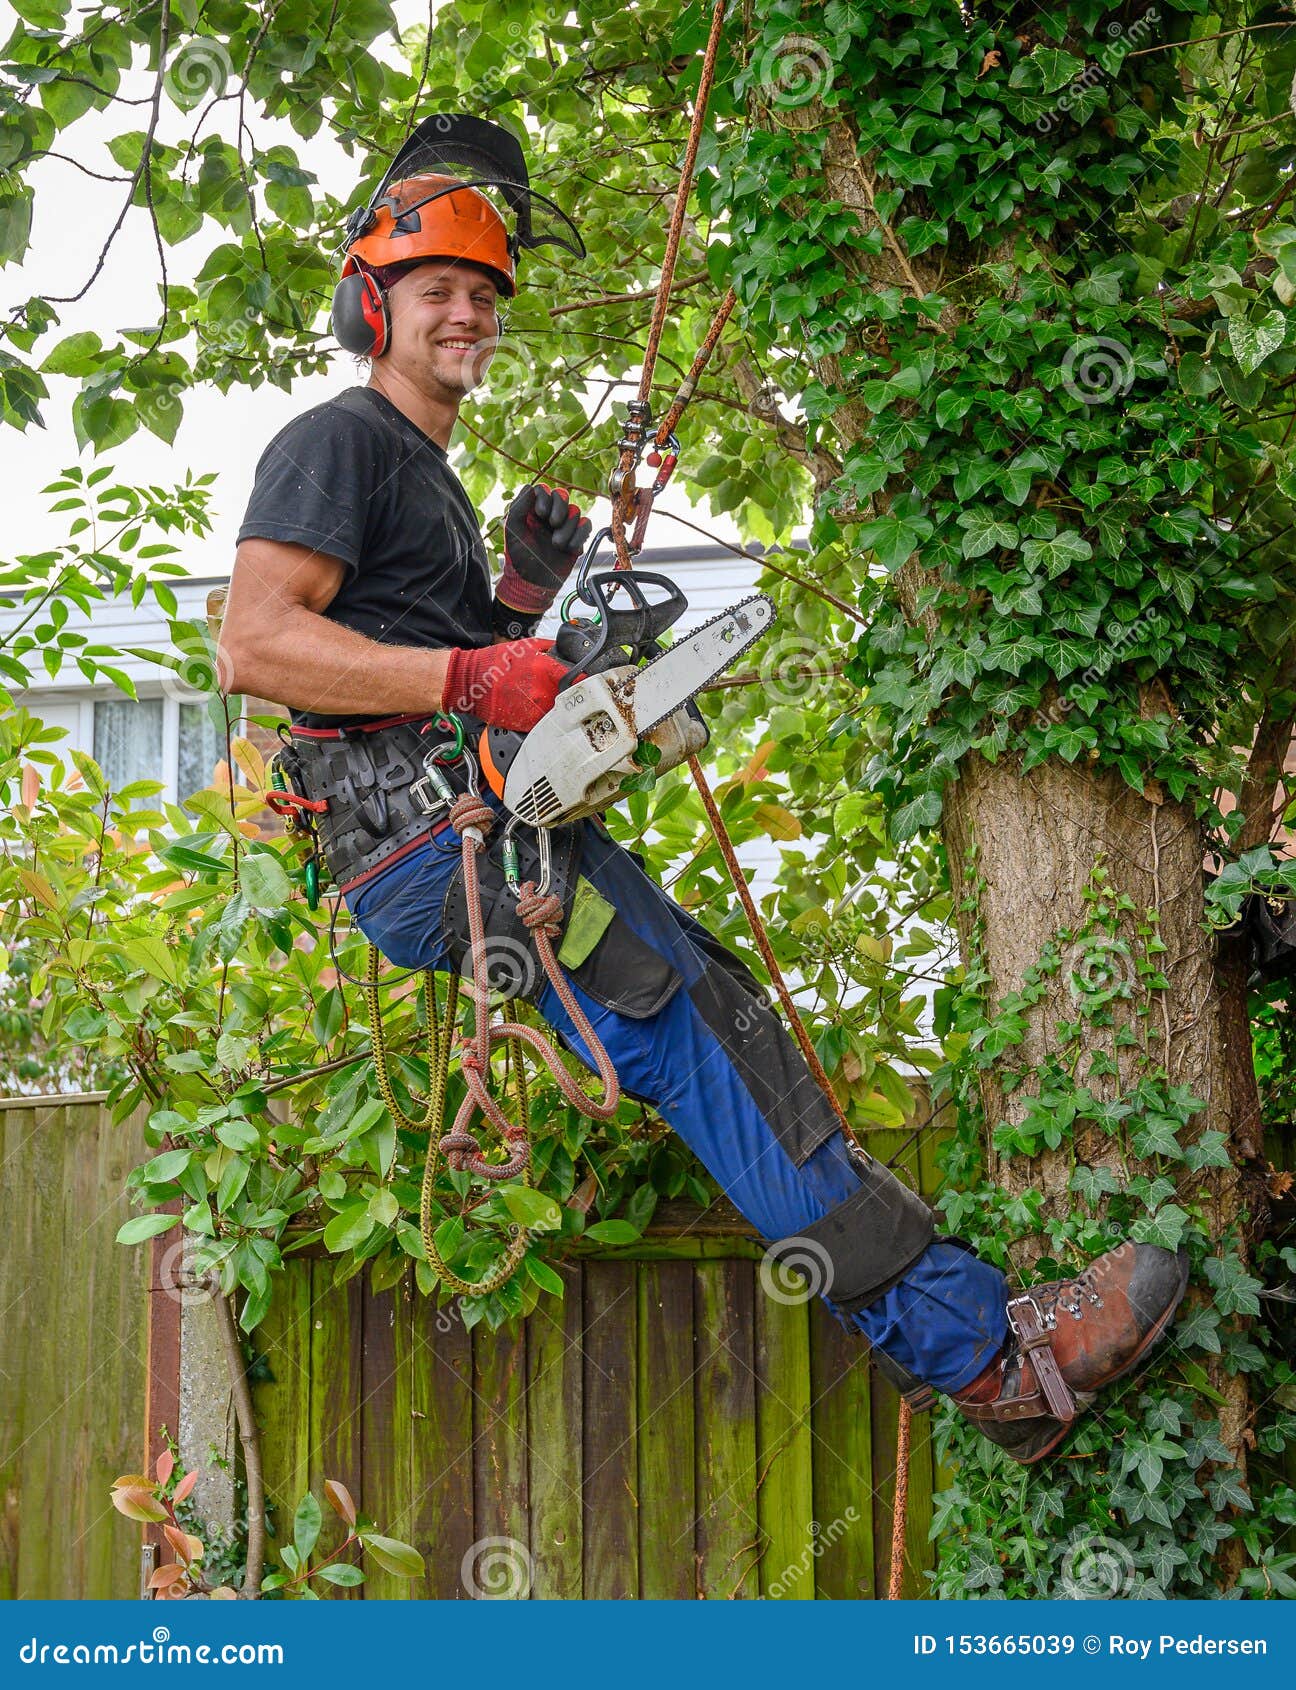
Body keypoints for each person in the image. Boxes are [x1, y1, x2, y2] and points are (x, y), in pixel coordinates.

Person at [218, 128, 1189, 1464]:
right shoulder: (337, 441)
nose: (467, 314)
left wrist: (515, 599)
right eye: (438, 288)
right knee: (712, 1052)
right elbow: (256, 645)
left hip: (497, 838)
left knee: (723, 1019)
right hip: (440, 856)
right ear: (369, 304)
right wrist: (475, 662)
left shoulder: (421, 479)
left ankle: (985, 1350)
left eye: (487, 297)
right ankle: (993, 1359)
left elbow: (449, 679)